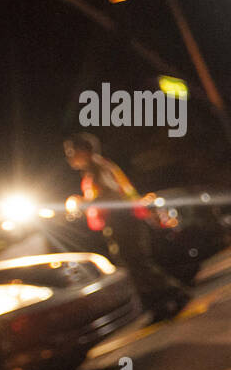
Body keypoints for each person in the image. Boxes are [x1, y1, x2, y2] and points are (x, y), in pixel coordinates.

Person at [63, 133, 189, 322]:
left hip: (124, 221)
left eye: (72, 151)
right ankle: (158, 306)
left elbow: (112, 195)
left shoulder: (98, 168)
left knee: (136, 264)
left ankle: (176, 293)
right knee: (132, 266)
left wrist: (82, 202)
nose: (69, 157)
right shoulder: (93, 171)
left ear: (84, 150)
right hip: (120, 222)